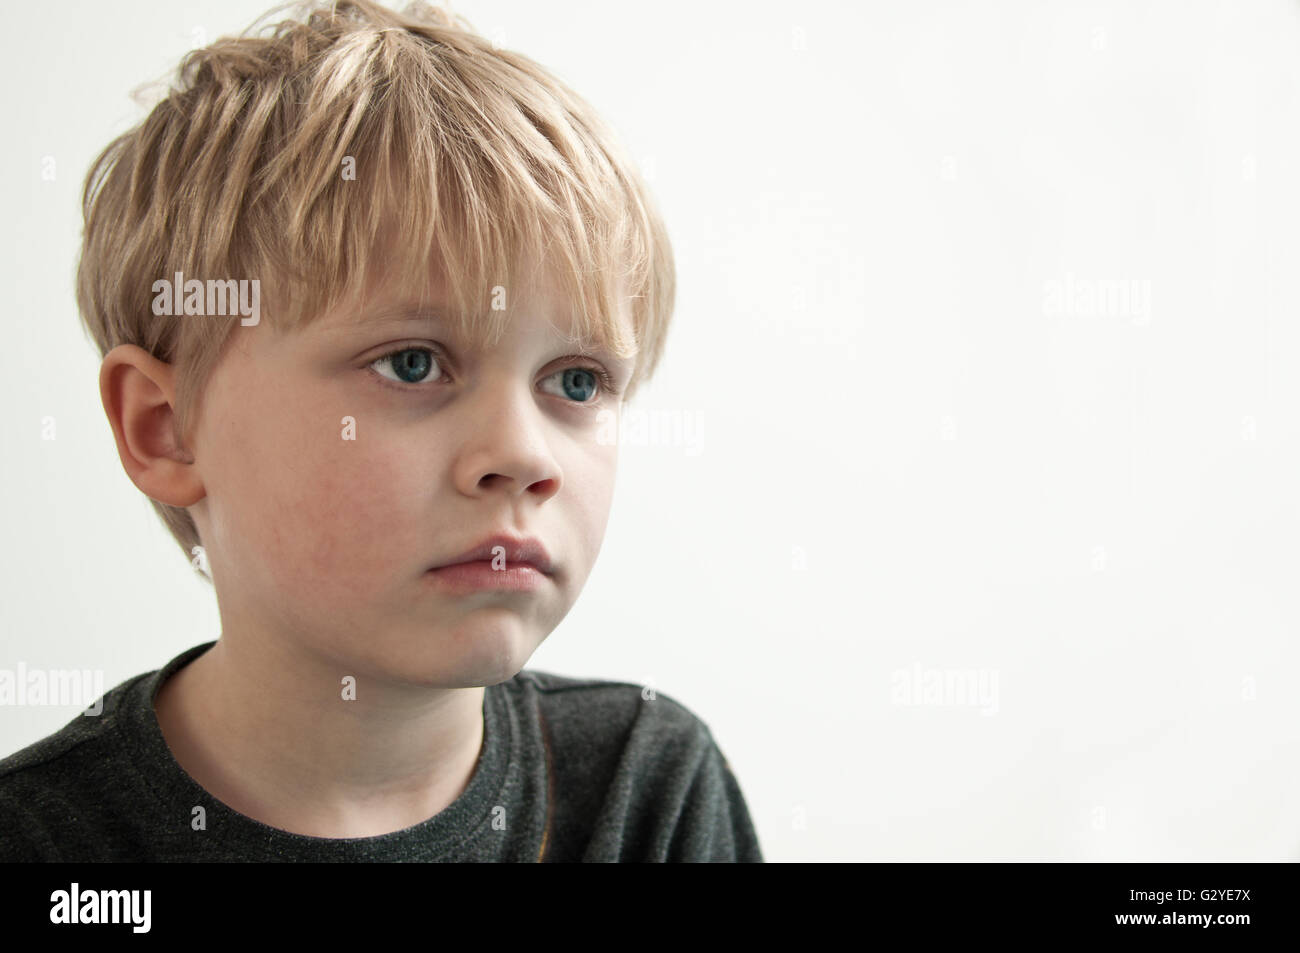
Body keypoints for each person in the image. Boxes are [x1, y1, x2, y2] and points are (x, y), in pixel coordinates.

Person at [0, 0, 761, 862]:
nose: (522, 456)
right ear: (168, 428)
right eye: (411, 363)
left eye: (575, 381)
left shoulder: (643, 789)